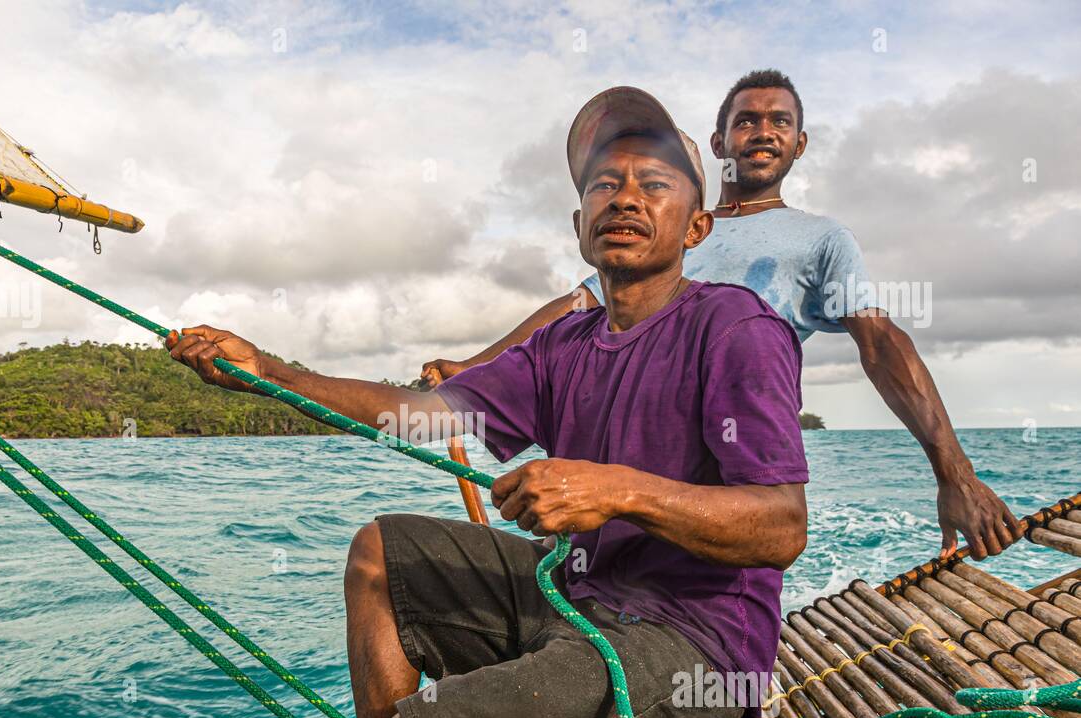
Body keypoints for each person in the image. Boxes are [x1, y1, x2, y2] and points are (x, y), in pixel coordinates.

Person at [167, 87, 808, 718]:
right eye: (604, 185)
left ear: (697, 225)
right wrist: (267, 371)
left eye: (655, 184)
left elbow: (780, 527)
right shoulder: (560, 347)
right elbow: (422, 413)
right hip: (576, 597)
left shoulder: (735, 327)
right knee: (382, 555)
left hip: (700, 643)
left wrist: (616, 490)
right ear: (579, 227)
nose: (627, 198)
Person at [424, 69, 1021, 562]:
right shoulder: (662, 221)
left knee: (716, 599)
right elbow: (576, 306)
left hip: (723, 462)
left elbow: (881, 344)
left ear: (800, 143)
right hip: (616, 435)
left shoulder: (821, 240)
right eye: (746, 120)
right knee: (580, 584)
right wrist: (474, 366)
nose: (763, 132)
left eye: (779, 121)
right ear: (718, 143)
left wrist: (954, 472)